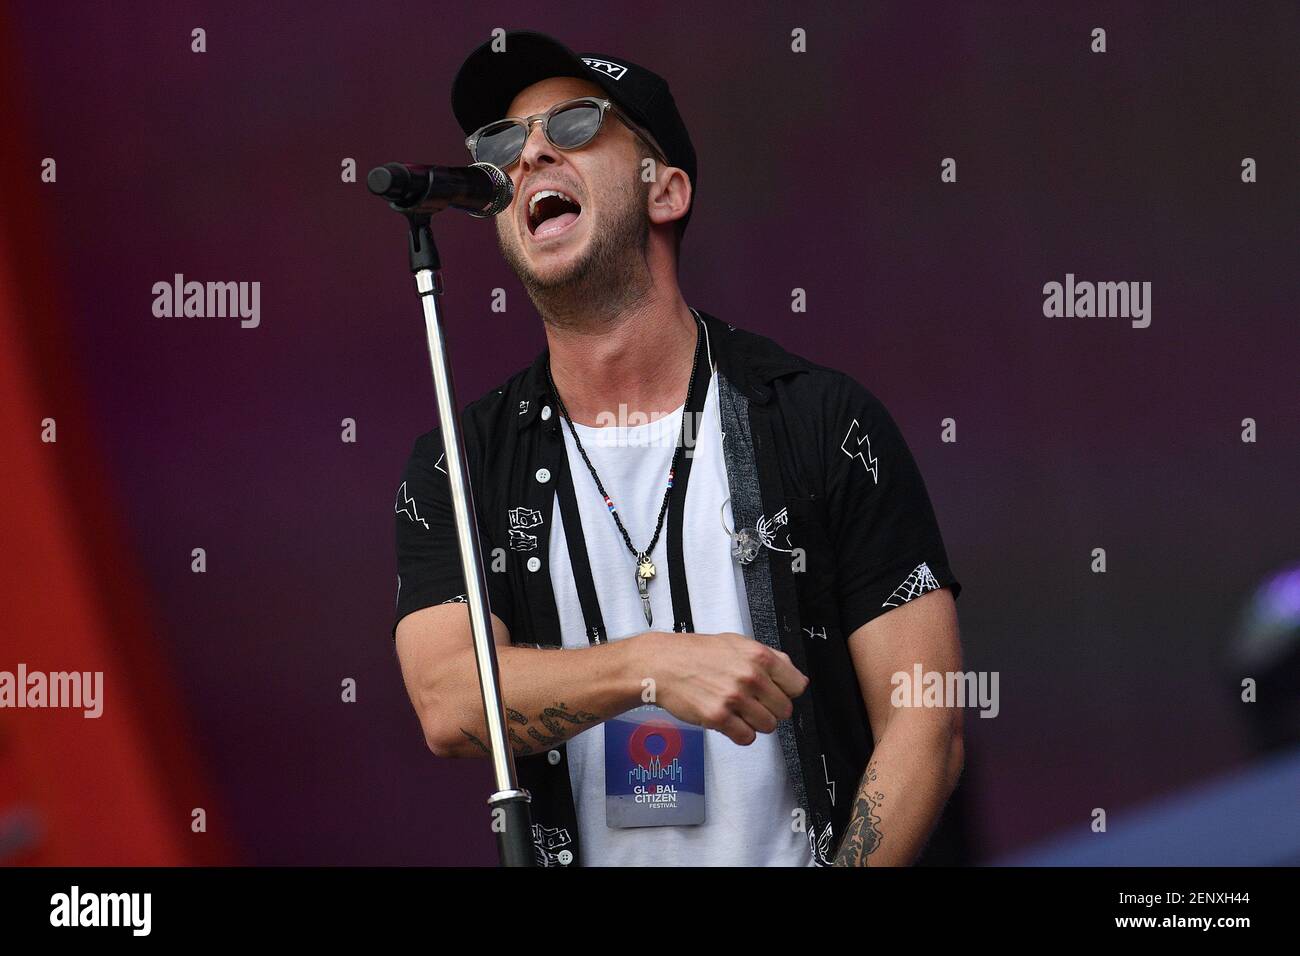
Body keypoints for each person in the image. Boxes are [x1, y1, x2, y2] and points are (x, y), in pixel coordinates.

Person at [393, 30, 964, 867]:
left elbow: (929, 718)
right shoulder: (463, 460)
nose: (533, 154)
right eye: (505, 144)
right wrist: (652, 667)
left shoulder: (821, 422)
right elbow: (448, 702)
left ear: (665, 191)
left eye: (578, 126)